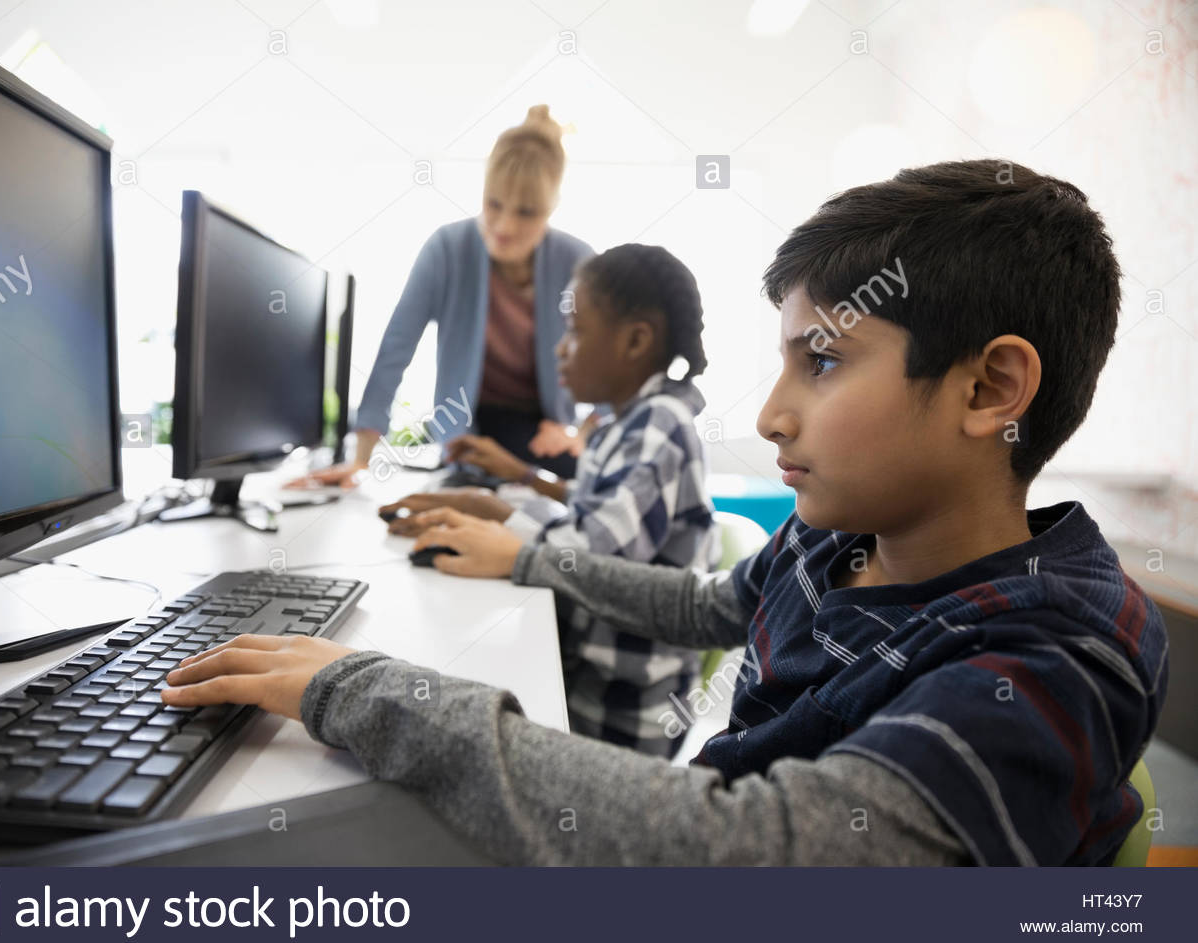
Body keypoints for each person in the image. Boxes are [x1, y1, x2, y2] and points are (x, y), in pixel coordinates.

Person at [164, 160, 1169, 866]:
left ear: (989, 389)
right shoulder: (839, 537)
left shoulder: (1051, 660)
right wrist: (524, 559)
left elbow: (753, 853)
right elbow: (709, 602)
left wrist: (386, 694)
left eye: (819, 359)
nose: (771, 413)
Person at [378, 244, 718, 756]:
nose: (560, 348)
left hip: (623, 711)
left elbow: (588, 554)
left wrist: (501, 520)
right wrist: (510, 486)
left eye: (576, 331)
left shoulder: (659, 424)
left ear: (635, 340)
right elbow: (591, 508)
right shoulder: (622, 424)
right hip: (593, 677)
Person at [295, 105, 593, 488]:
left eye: (526, 213)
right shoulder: (447, 249)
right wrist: (361, 460)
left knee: (591, 480)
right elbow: (396, 349)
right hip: (468, 428)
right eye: (494, 204)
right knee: (469, 490)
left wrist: (579, 433)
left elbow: (605, 364)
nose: (504, 227)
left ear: (551, 209)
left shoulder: (577, 261)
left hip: (544, 429)